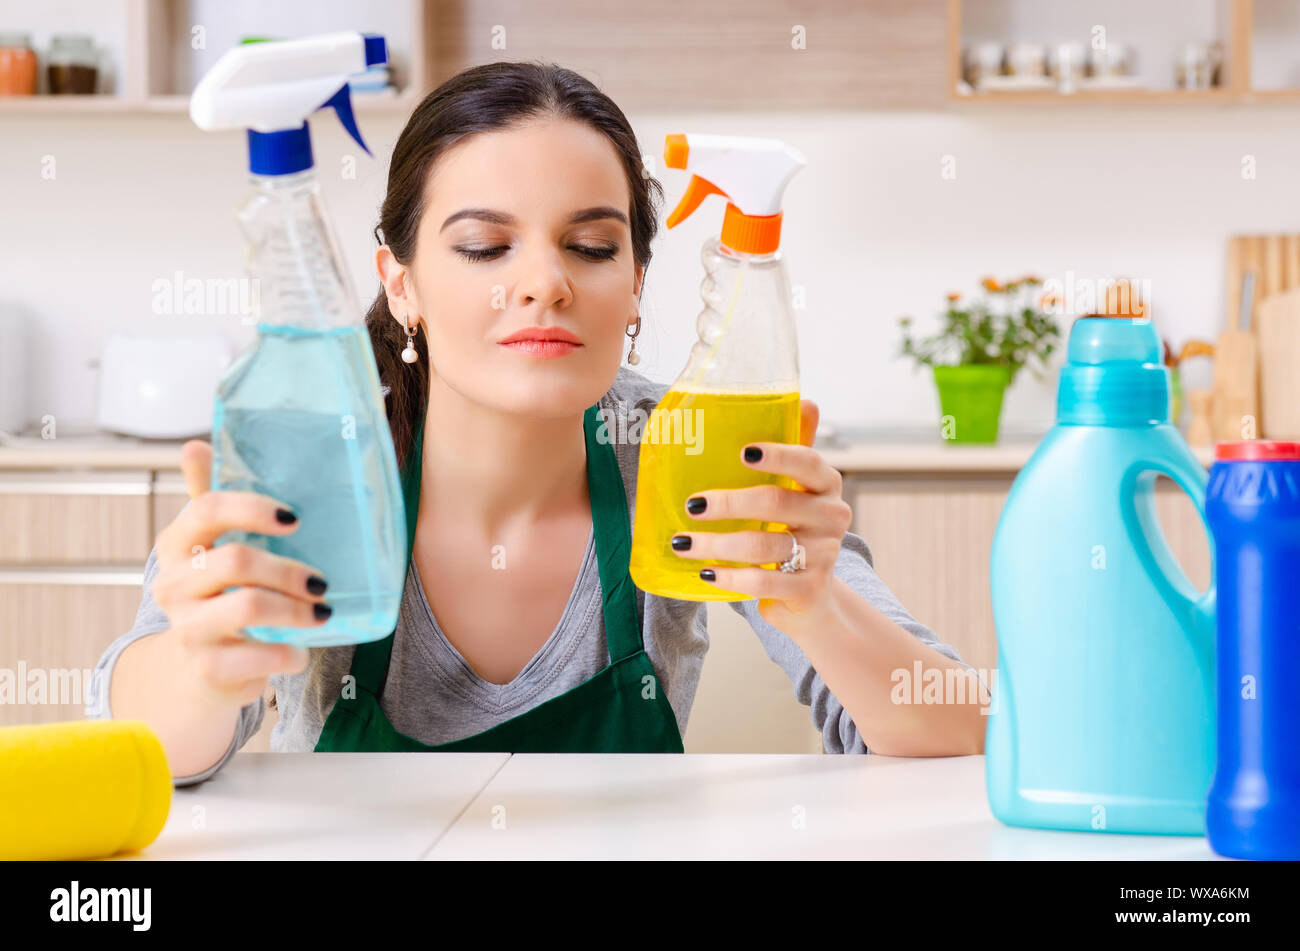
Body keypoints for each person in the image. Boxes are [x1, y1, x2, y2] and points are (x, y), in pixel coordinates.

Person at [88, 62, 986, 784]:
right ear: (401, 284)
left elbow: (964, 733)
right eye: (484, 246)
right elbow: (145, 742)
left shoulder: (687, 455)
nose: (545, 282)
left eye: (592, 247)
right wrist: (208, 665)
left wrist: (816, 600)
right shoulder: (319, 454)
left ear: (635, 284)